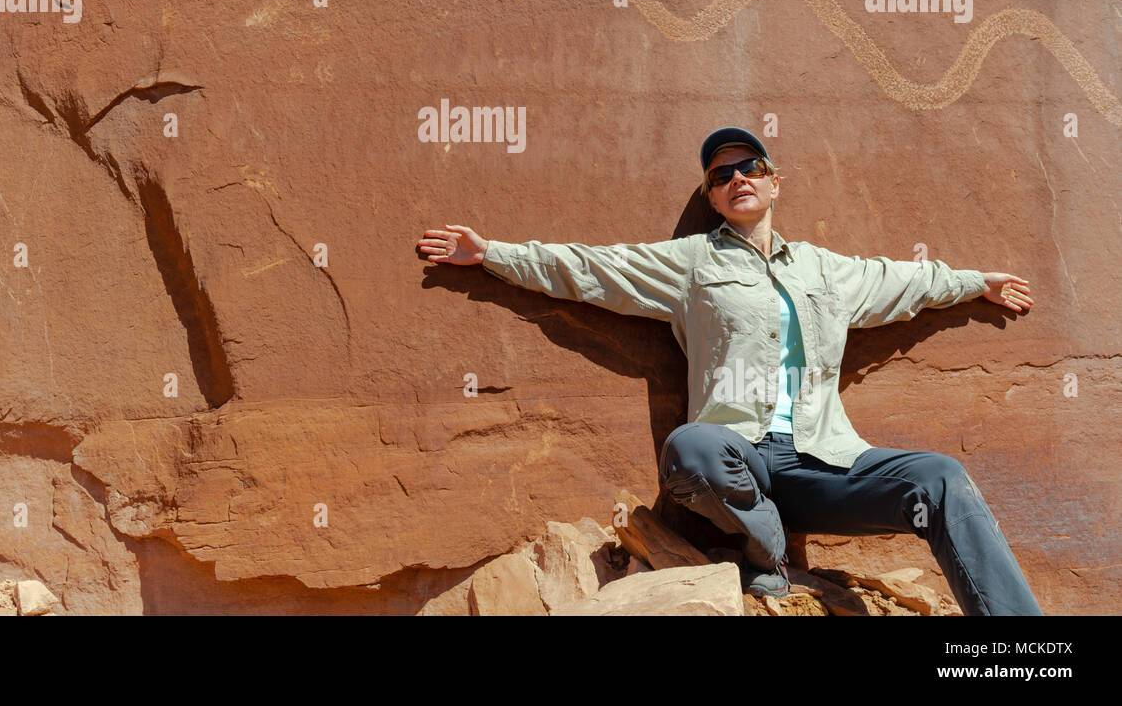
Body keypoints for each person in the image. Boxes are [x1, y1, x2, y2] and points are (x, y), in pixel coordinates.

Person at [417, 125, 1043, 615]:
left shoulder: (825, 271)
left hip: (821, 463)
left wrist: (974, 283)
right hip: (735, 461)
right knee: (690, 446)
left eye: (752, 167)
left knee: (940, 478)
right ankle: (766, 551)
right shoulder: (691, 263)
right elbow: (590, 269)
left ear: (775, 183)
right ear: (714, 196)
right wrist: (494, 255)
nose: (738, 177)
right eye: (723, 174)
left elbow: (906, 279)